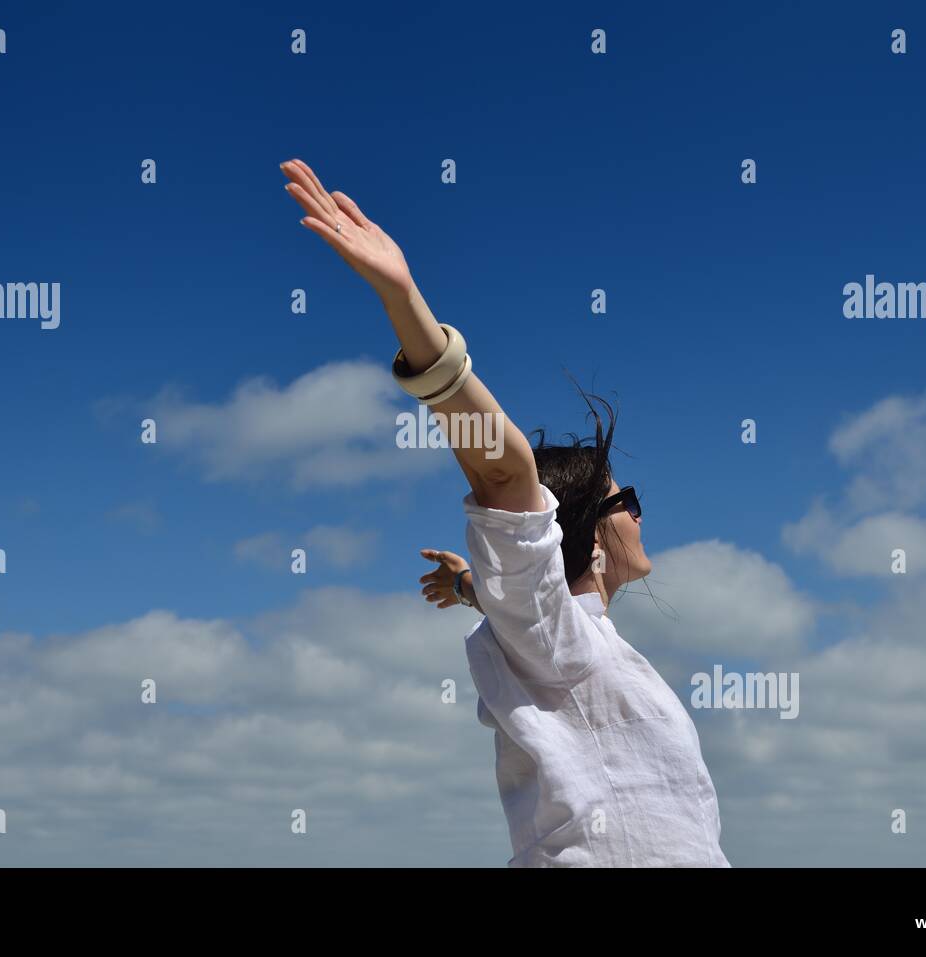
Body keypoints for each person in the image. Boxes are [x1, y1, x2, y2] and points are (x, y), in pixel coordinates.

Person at [281, 157, 729, 867]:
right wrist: (407, 304)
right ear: (584, 527)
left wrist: (470, 588)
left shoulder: (560, 635)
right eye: (627, 501)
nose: (641, 516)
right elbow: (502, 468)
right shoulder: (561, 638)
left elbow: (526, 600)